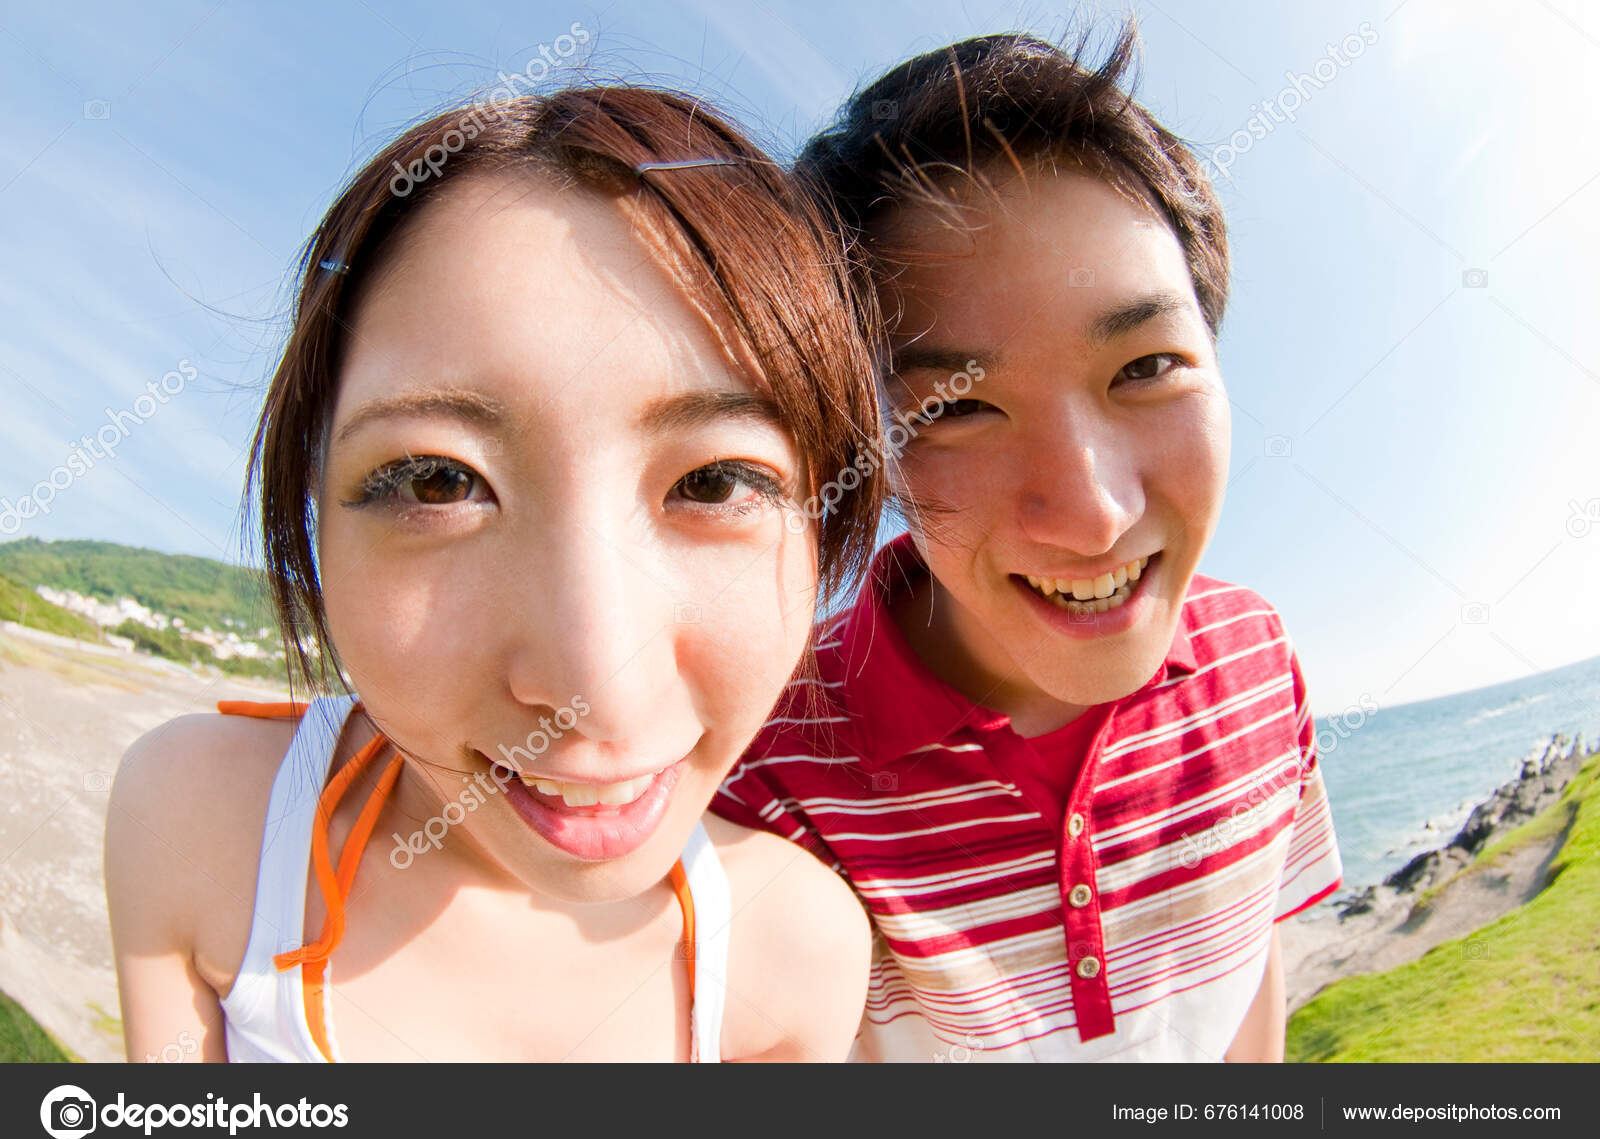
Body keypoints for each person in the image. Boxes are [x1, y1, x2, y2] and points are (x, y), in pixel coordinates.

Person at [105, 84, 880, 1062]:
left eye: (715, 481)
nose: (594, 690)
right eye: (437, 480)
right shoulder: (202, 819)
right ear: (313, 513)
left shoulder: (794, 955)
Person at [712, 25, 1342, 1061]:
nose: (1094, 513)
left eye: (1145, 367)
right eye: (958, 410)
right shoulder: (772, 776)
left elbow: (1247, 952)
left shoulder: (1258, 660)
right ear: (868, 448)